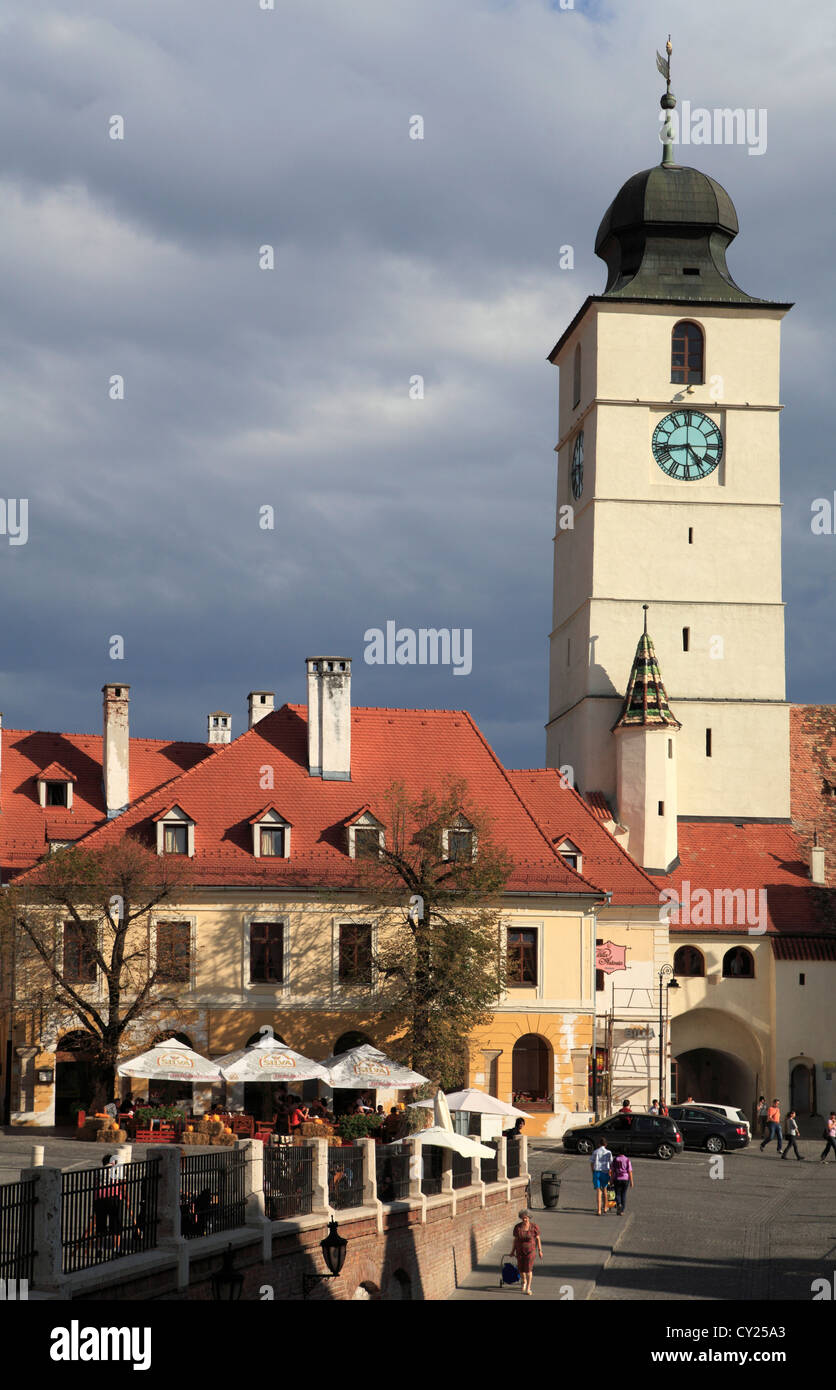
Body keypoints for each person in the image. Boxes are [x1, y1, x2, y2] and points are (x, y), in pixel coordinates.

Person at [511, 1209, 543, 1296]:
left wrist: (540, 1250)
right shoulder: (517, 1227)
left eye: (526, 1218)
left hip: (530, 1251)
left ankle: (528, 1288)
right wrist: (512, 1251)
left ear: (529, 1217)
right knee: (521, 1269)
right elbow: (515, 1240)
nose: (524, 1219)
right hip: (519, 1250)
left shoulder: (534, 1227)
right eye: (523, 1218)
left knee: (528, 1269)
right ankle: (524, 1281)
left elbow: (538, 1239)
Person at [591, 1139, 613, 1216]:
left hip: (597, 1172)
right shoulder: (608, 1152)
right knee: (605, 1190)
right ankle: (605, 1207)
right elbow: (611, 1163)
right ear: (606, 1144)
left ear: (599, 1144)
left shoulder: (595, 1152)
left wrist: (593, 1172)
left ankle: (599, 1210)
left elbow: (592, 1163)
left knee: (598, 1191)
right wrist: (611, 1173)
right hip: (605, 1172)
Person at [611, 1150, 634, 1214]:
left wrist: (611, 1179)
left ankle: (619, 1203)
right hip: (625, 1178)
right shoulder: (627, 1160)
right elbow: (630, 1171)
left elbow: (612, 1171)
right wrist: (631, 1181)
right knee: (623, 1194)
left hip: (617, 1178)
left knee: (617, 1193)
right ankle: (622, 1211)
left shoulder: (615, 1159)